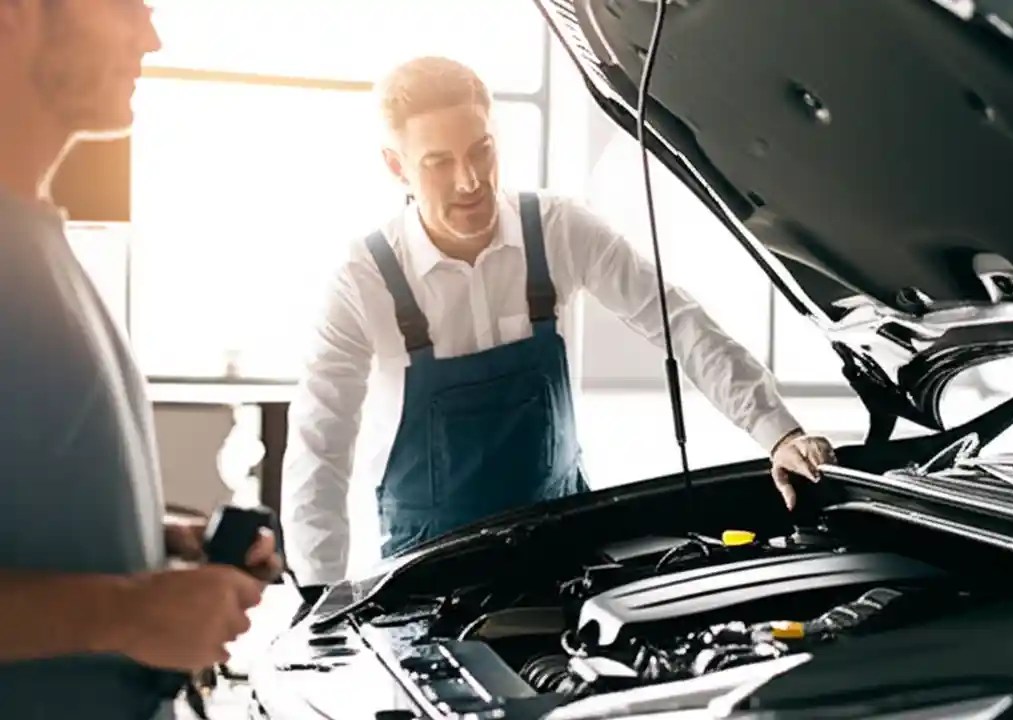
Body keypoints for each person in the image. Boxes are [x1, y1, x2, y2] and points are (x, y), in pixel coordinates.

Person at [282, 56, 836, 601]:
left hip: (563, 546)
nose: (470, 180)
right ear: (396, 166)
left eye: (482, 151)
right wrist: (318, 593)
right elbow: (320, 441)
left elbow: (679, 322)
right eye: (439, 163)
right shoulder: (363, 278)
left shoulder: (556, 229)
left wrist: (778, 432)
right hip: (427, 566)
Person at [0, 2, 282, 717]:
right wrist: (123, 611)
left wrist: (162, 543)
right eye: (125, 4)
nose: (149, 36)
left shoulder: (36, 234)